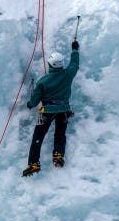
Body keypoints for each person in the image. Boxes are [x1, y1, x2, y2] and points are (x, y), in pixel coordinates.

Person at [22, 40, 80, 177]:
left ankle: (34, 163)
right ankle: (58, 156)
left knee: (38, 137)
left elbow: (35, 100)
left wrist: (30, 104)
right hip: (64, 110)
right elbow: (74, 64)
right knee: (60, 134)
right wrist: (75, 49)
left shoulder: (43, 82)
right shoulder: (68, 74)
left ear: (50, 65)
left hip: (47, 112)